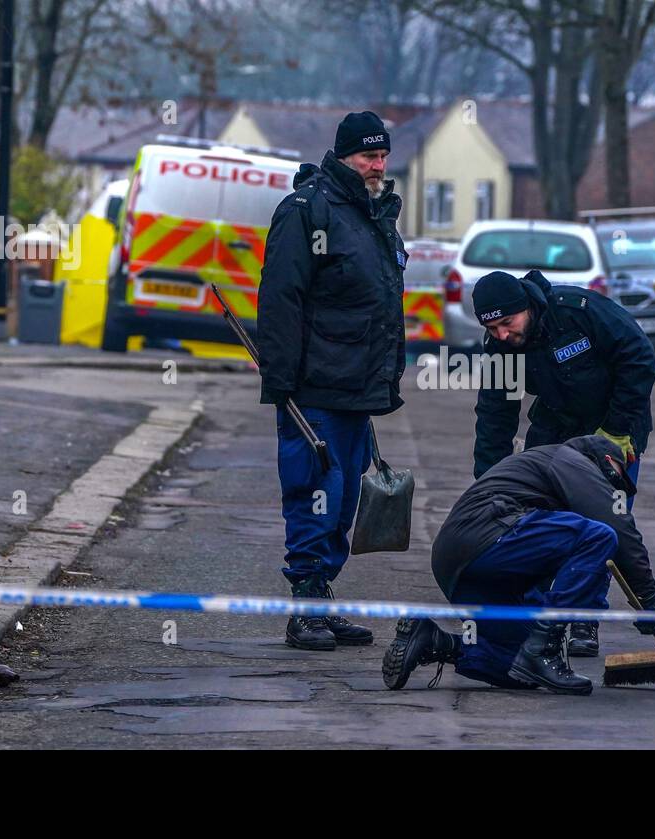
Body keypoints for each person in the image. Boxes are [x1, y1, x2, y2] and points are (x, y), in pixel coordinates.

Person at [255, 110, 407, 651]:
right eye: (369, 156)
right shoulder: (306, 210)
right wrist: (280, 379)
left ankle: (323, 597)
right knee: (313, 492)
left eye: (383, 156)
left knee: (342, 501)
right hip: (313, 387)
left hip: (358, 389)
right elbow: (280, 299)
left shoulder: (374, 212)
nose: (378, 165)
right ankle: (306, 607)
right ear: (344, 155)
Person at [382, 435, 655, 695]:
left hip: (460, 564)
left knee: (520, 667)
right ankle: (543, 650)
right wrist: (647, 598)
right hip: (488, 537)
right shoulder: (571, 460)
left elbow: (549, 571)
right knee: (601, 535)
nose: (613, 490)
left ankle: (436, 642)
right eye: (616, 480)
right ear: (607, 462)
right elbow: (617, 527)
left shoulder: (548, 486)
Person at [471, 269, 655, 656]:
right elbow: (495, 414)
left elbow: (639, 356)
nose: (503, 335)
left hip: (613, 424)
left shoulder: (579, 311)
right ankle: (543, 618)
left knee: (603, 523)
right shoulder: (501, 349)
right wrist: (490, 479)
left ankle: (585, 620)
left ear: (528, 306)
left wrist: (617, 429)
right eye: (492, 329)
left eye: (508, 323)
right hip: (555, 428)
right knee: (542, 519)